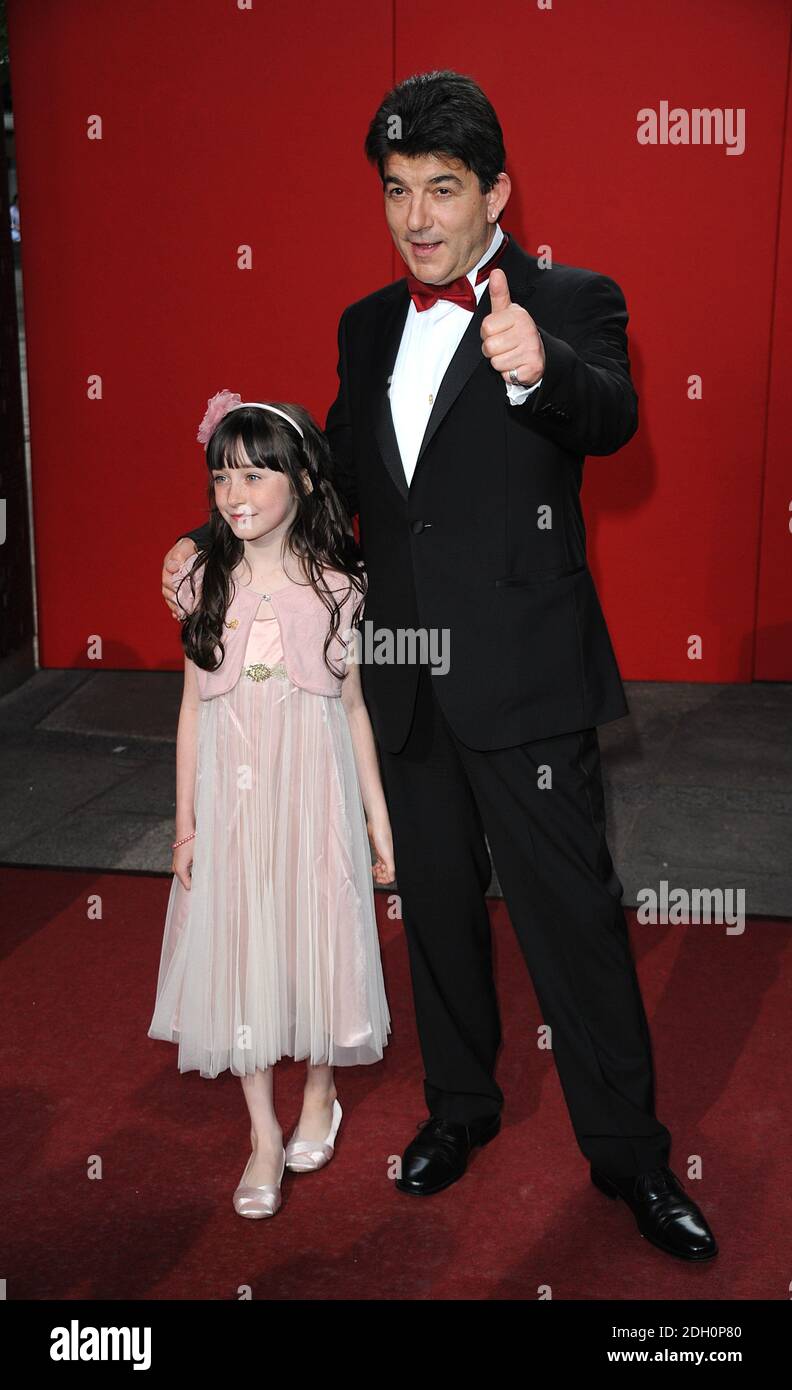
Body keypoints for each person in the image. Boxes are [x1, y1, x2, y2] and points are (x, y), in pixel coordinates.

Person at [160, 71, 717, 1260]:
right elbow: (337, 494)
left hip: (526, 683)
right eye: (399, 191)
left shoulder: (572, 299)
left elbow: (611, 416)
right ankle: (460, 1110)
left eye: (445, 190)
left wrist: (536, 365)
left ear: (496, 192)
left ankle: (631, 1159)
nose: (418, 217)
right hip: (404, 679)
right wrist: (211, 542)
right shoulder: (367, 326)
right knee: (443, 916)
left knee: (573, 922)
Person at [148, 391, 393, 1219]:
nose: (234, 495)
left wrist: (377, 822)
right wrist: (184, 827)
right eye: (221, 477)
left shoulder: (337, 583)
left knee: (318, 931)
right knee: (243, 945)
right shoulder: (198, 578)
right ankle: (261, 1133)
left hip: (315, 798)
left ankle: (321, 1092)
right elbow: (190, 711)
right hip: (235, 802)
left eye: (254, 475)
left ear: (302, 479)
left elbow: (354, 708)